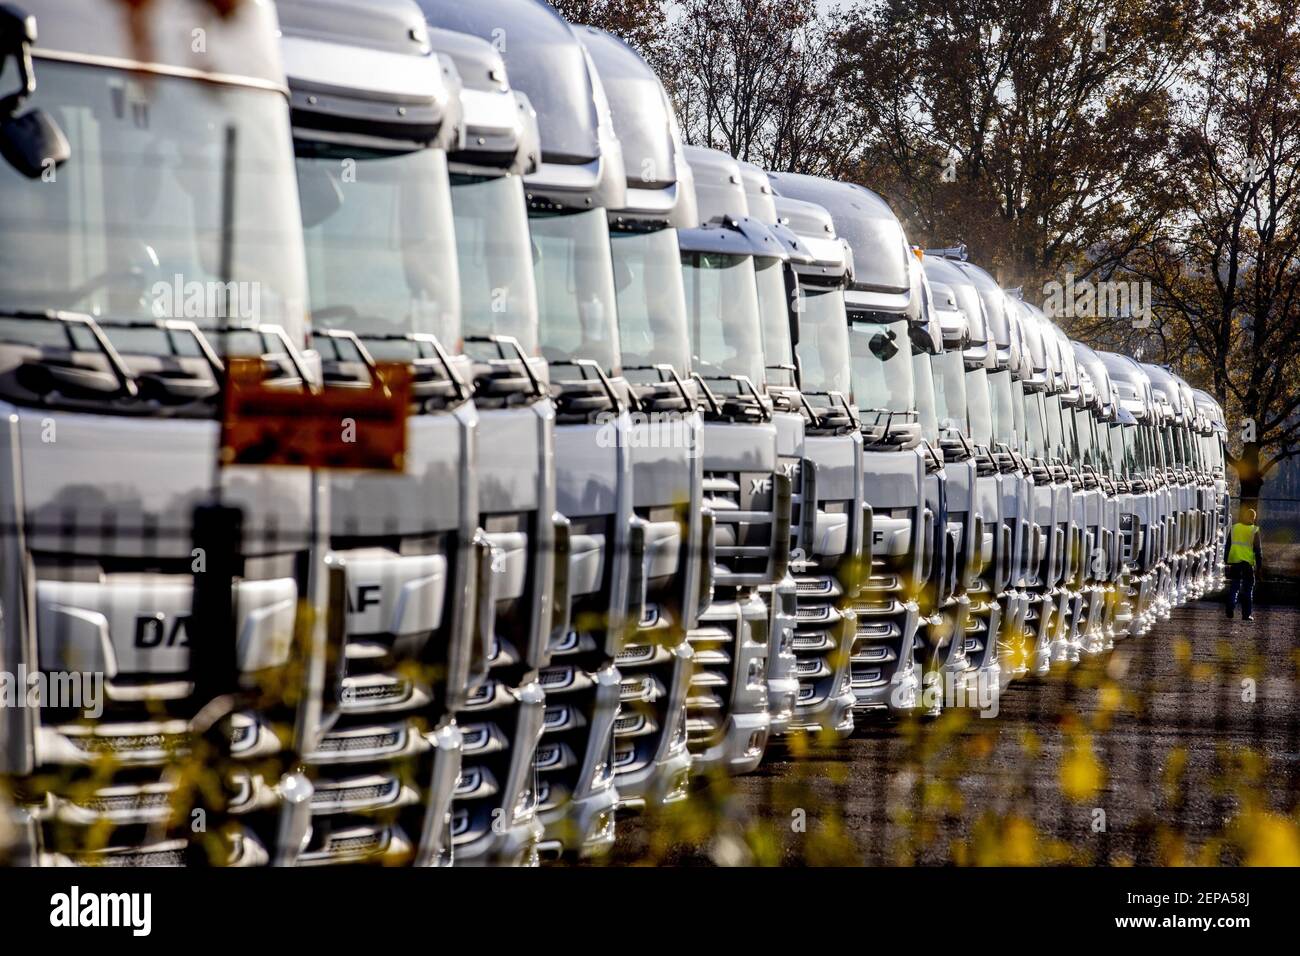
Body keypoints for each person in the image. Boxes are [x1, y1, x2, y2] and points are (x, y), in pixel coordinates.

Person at [1225, 506, 1264, 621]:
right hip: (1247, 563)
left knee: (1234, 585)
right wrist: (1259, 567)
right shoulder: (1254, 530)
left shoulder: (1234, 528)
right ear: (1253, 518)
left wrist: (1226, 560)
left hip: (1235, 561)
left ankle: (1230, 605)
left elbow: (1228, 545)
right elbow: (1258, 550)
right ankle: (1246, 614)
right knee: (1248, 588)